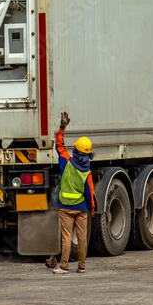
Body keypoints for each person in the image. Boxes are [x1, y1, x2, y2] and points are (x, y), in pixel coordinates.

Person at [52, 111, 95, 274]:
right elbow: (89, 192)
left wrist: (62, 128)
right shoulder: (87, 172)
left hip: (65, 207)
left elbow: (59, 146)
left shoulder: (66, 162)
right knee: (82, 238)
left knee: (66, 237)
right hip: (81, 208)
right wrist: (91, 209)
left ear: (76, 150)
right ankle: (81, 266)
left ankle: (64, 266)